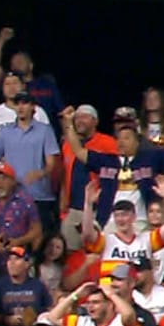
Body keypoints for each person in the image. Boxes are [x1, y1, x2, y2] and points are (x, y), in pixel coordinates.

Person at [0, 89, 59, 236]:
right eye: (17, 103)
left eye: (24, 103)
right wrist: (3, 177)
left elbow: (52, 164)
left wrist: (39, 173)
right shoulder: (5, 132)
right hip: (12, 197)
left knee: (40, 239)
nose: (20, 107)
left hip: (38, 195)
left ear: (33, 107)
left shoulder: (45, 131)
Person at [59, 104, 117, 248]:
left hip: (97, 209)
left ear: (95, 121)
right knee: (70, 252)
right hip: (73, 208)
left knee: (96, 251)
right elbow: (65, 172)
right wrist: (62, 199)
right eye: (77, 117)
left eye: (84, 117)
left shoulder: (108, 142)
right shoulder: (67, 144)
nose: (80, 121)